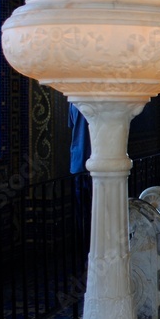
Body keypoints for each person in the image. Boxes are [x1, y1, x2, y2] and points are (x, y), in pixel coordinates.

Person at [68, 103, 92, 248]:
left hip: (77, 162)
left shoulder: (72, 101)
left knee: (81, 211)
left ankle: (83, 248)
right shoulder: (95, 101)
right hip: (94, 162)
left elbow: (71, 124)